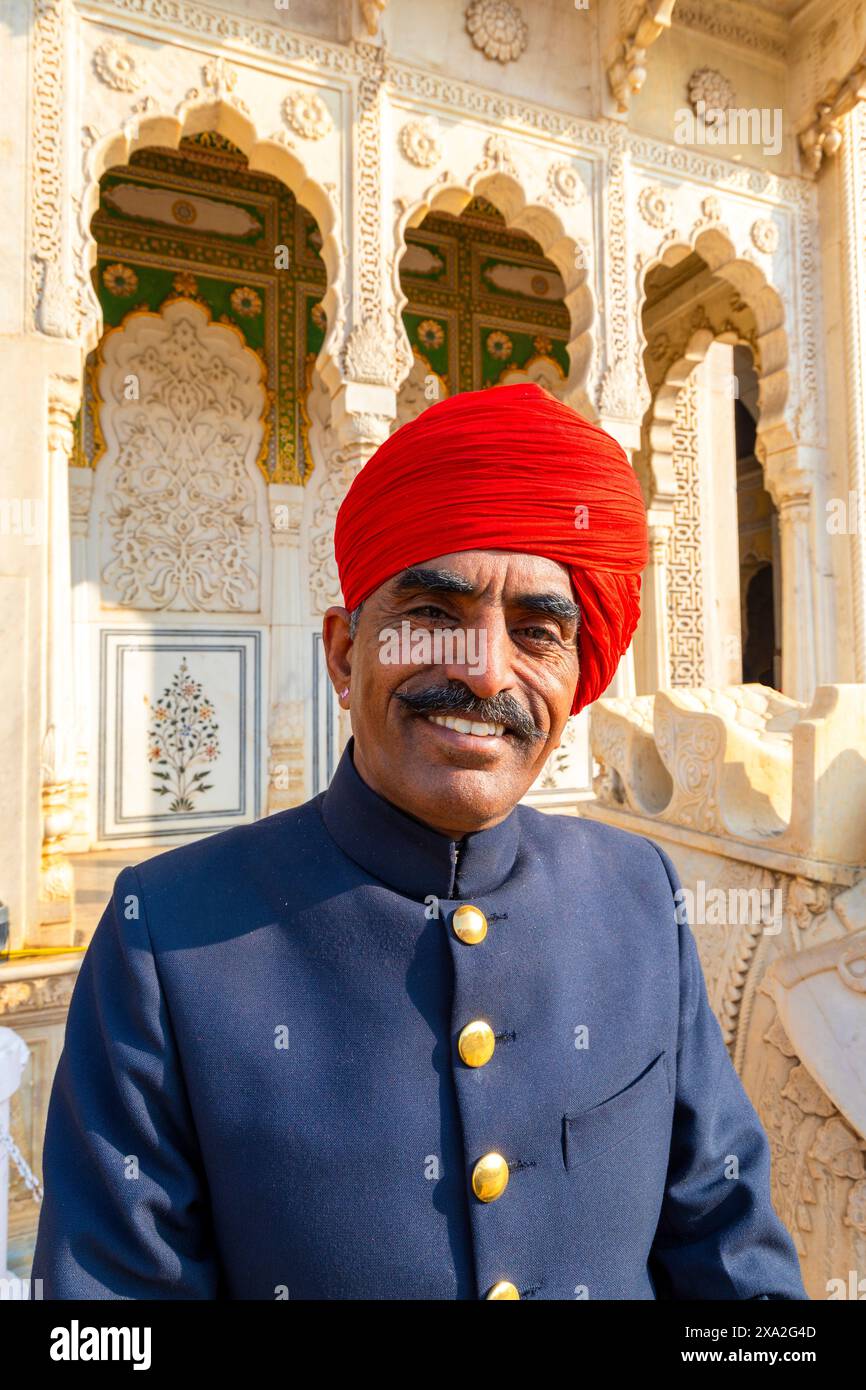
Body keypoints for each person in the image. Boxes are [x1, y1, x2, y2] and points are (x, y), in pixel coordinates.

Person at [31, 383, 808, 1300]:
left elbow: (731, 1257)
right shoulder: (172, 935)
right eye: (434, 615)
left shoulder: (636, 896)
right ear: (342, 653)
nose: (485, 671)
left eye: (538, 634)